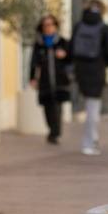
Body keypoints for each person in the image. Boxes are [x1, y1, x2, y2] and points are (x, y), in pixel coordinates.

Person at [71, 0, 108, 156]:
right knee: (93, 108)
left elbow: (71, 49)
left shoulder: (79, 26)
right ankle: (90, 142)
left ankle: (88, 142)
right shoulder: (104, 28)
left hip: (81, 70)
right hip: (97, 70)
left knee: (88, 105)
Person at [28, 14, 70, 145]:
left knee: (57, 107)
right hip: (45, 81)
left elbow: (71, 60)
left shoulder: (62, 42)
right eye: (46, 24)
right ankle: (51, 129)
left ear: (55, 26)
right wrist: (32, 78)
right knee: (47, 108)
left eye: (51, 24)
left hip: (59, 80)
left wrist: (64, 55)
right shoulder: (39, 44)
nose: (49, 27)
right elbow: (33, 62)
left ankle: (55, 133)